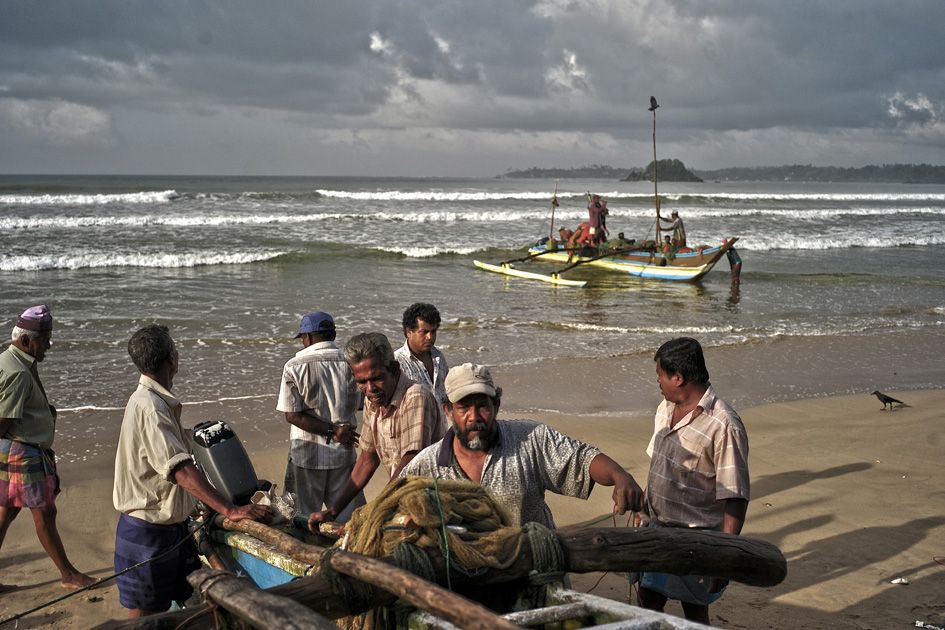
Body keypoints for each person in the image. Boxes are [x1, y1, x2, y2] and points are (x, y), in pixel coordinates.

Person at [113, 324, 272, 617]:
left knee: (181, 610)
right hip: (149, 534)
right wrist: (229, 509)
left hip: (171, 530)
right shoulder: (150, 407)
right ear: (172, 357)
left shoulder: (156, 401)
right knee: (147, 618)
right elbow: (180, 471)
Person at [400, 362, 644, 529]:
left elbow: (583, 458)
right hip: (466, 582)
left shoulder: (530, 438)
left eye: (482, 406)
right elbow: (394, 503)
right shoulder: (427, 464)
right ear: (449, 411)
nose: (474, 417)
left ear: (496, 406)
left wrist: (621, 477)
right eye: (464, 407)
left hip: (533, 572)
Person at [633, 337, 749, 625]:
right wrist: (644, 510)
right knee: (647, 601)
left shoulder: (723, 425)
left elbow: (734, 496)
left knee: (694, 612)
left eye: (659, 374)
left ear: (678, 377)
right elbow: (657, 465)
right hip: (657, 529)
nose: (657, 381)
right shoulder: (664, 409)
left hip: (697, 539)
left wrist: (725, 555)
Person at [0, 305, 95, 592]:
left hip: (14, 448)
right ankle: (68, 574)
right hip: (22, 451)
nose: (49, 346)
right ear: (26, 341)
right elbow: (3, 421)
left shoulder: (9, 359)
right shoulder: (18, 372)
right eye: (45, 340)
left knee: (6, 512)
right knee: (45, 513)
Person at [307, 332, 443, 527]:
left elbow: (411, 462)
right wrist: (333, 511)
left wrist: (374, 510)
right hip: (402, 495)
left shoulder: (415, 397)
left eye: (376, 378)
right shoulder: (374, 402)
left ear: (394, 370)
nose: (370, 388)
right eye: (361, 382)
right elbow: (367, 460)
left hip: (431, 499)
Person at [277, 311, 364, 521]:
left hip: (307, 455)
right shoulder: (352, 362)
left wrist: (331, 431)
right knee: (347, 520)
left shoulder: (294, 366)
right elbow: (361, 403)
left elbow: (293, 416)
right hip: (343, 453)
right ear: (332, 334)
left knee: (303, 518)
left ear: (306, 338)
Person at [394, 303, 449, 407]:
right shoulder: (397, 362)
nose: (430, 337)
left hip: (443, 422)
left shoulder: (438, 357)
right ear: (409, 332)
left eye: (433, 331)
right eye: (424, 332)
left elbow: (447, 394)